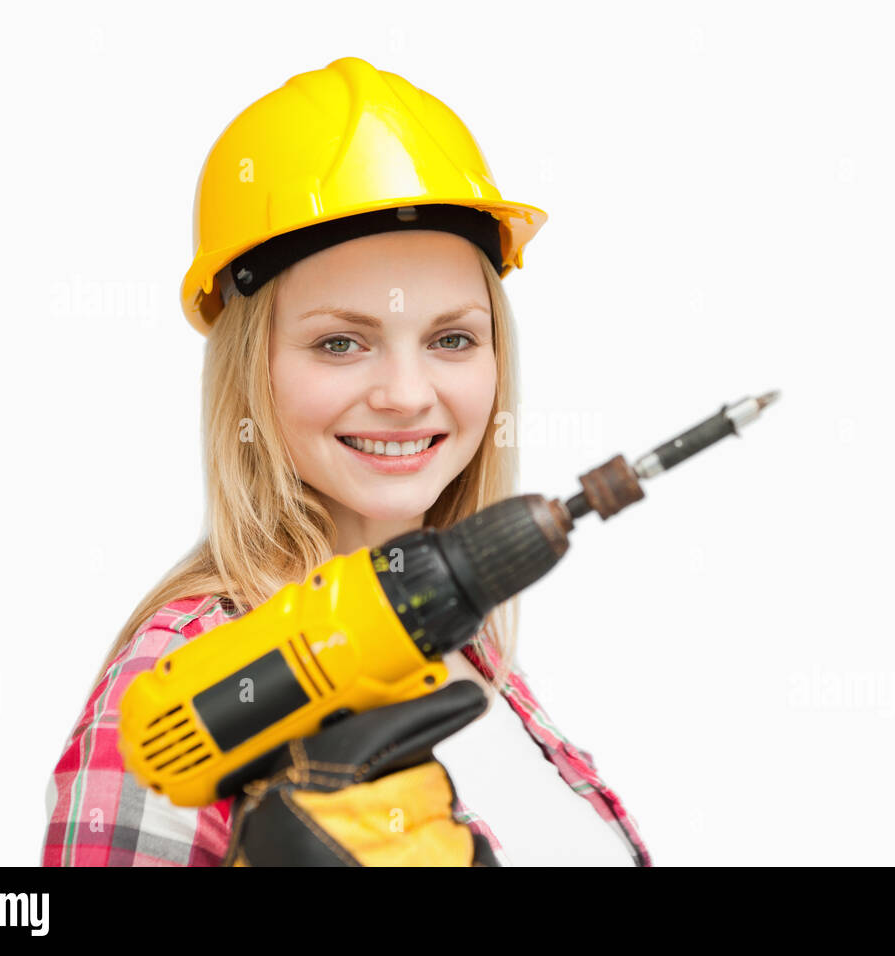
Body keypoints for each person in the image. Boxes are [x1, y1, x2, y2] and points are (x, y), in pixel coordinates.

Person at [41, 56, 652, 867]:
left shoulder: (459, 644)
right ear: (250, 371)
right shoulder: (186, 688)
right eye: (340, 342)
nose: (406, 394)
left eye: (452, 338)